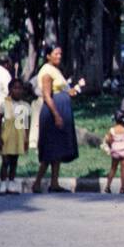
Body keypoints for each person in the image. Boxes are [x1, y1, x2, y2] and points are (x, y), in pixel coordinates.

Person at [31, 44, 83, 193]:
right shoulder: (46, 71)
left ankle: (54, 182)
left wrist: (71, 91)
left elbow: (62, 88)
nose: (59, 56)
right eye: (56, 54)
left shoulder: (55, 70)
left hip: (61, 108)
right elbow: (47, 95)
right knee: (50, 148)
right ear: (48, 56)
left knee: (58, 148)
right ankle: (37, 182)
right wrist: (56, 115)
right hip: (53, 111)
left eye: (60, 54)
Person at [0, 78, 30, 193]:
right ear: (10, 89)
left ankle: (11, 182)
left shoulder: (25, 105)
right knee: (5, 161)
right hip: (6, 136)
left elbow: (26, 124)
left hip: (18, 137)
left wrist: (27, 139)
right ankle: (2, 184)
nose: (18, 91)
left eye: (20, 88)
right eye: (15, 88)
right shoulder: (5, 104)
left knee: (14, 161)